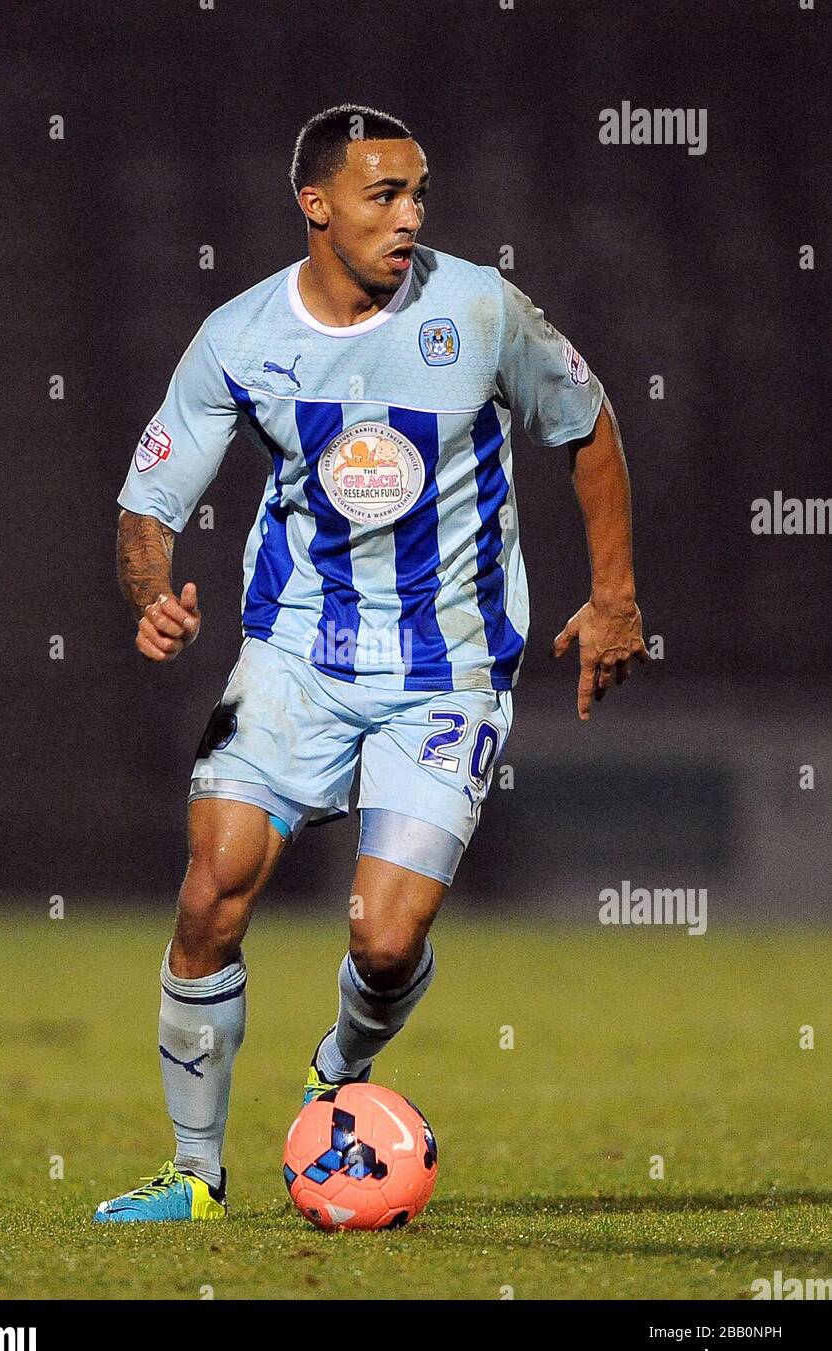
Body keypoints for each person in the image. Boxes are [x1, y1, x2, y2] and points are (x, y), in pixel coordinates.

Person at [95, 104, 647, 1223]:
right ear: (315, 205)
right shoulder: (240, 337)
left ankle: (338, 1066)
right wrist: (151, 594)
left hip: (448, 669)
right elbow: (148, 501)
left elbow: (586, 425)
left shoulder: (480, 310)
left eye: (419, 194)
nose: (410, 218)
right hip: (295, 655)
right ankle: (194, 1175)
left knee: (384, 941)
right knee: (210, 891)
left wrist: (612, 597)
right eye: (382, 195)